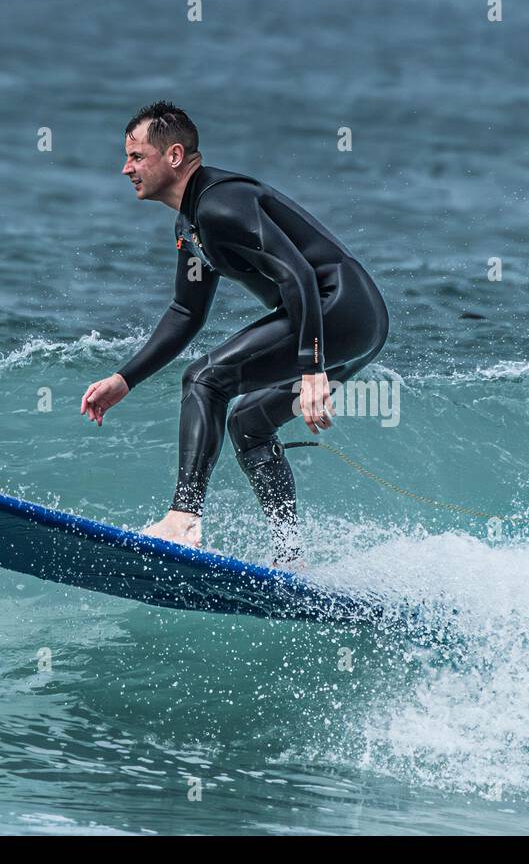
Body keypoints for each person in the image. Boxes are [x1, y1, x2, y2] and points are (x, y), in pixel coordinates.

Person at [80, 101, 389, 566]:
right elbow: (186, 311)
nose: (126, 168)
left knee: (205, 381)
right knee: (249, 424)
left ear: (175, 155)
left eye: (137, 157)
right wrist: (125, 380)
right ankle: (291, 559)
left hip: (339, 309)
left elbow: (299, 276)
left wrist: (311, 368)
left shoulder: (221, 205)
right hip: (350, 321)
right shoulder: (190, 223)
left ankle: (182, 520)